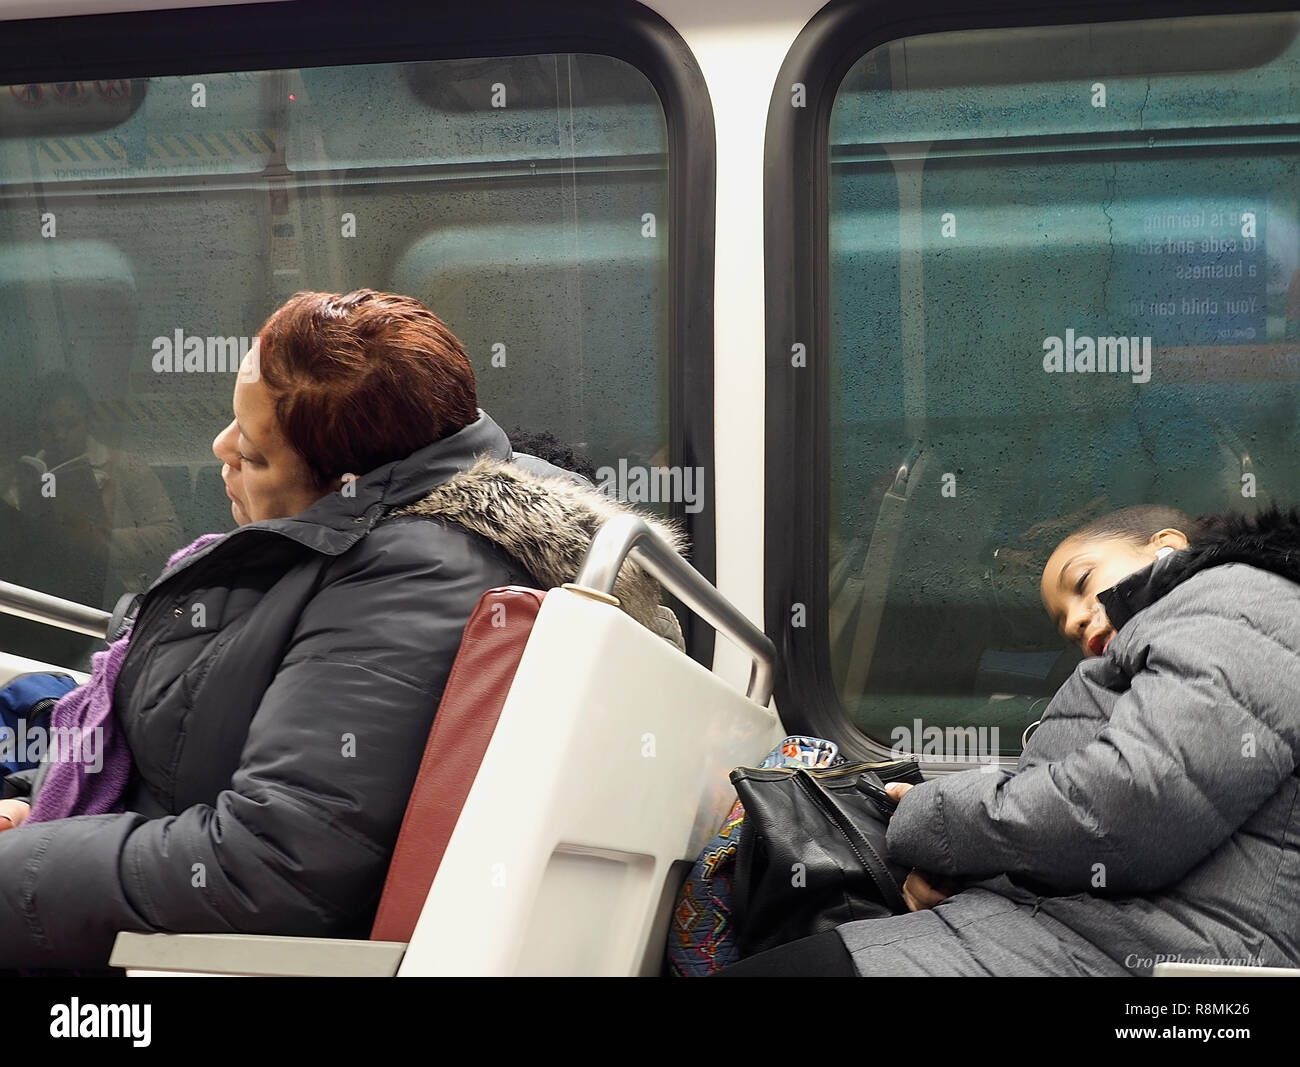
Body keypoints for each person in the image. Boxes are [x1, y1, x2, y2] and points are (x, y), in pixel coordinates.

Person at [0, 289, 684, 971]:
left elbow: (268, 867)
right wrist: (42, 803)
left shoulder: (411, 576)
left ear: (347, 483)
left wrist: (21, 868)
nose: (222, 447)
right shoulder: (378, 527)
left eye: (257, 452)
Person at [721, 503, 1300, 976]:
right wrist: (969, 874)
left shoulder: (1237, 602)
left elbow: (1132, 805)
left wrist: (932, 820)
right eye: (1063, 620)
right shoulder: (1189, 628)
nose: (1075, 621)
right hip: (1084, 938)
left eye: (1082, 582)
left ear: (1165, 547)